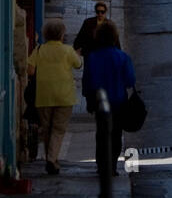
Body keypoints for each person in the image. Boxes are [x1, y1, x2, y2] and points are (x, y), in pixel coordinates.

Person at [27, 20, 82, 174]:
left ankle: (51, 159)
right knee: (58, 129)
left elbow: (30, 71)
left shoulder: (39, 50)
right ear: (61, 34)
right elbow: (78, 64)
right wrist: (76, 55)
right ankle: (51, 159)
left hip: (44, 95)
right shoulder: (67, 50)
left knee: (47, 129)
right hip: (64, 95)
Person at [82, 22, 135, 177]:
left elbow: (87, 81)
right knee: (116, 133)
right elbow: (130, 80)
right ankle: (112, 165)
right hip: (118, 101)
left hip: (100, 102)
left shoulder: (92, 57)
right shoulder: (122, 57)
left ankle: (101, 165)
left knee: (101, 133)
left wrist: (88, 100)